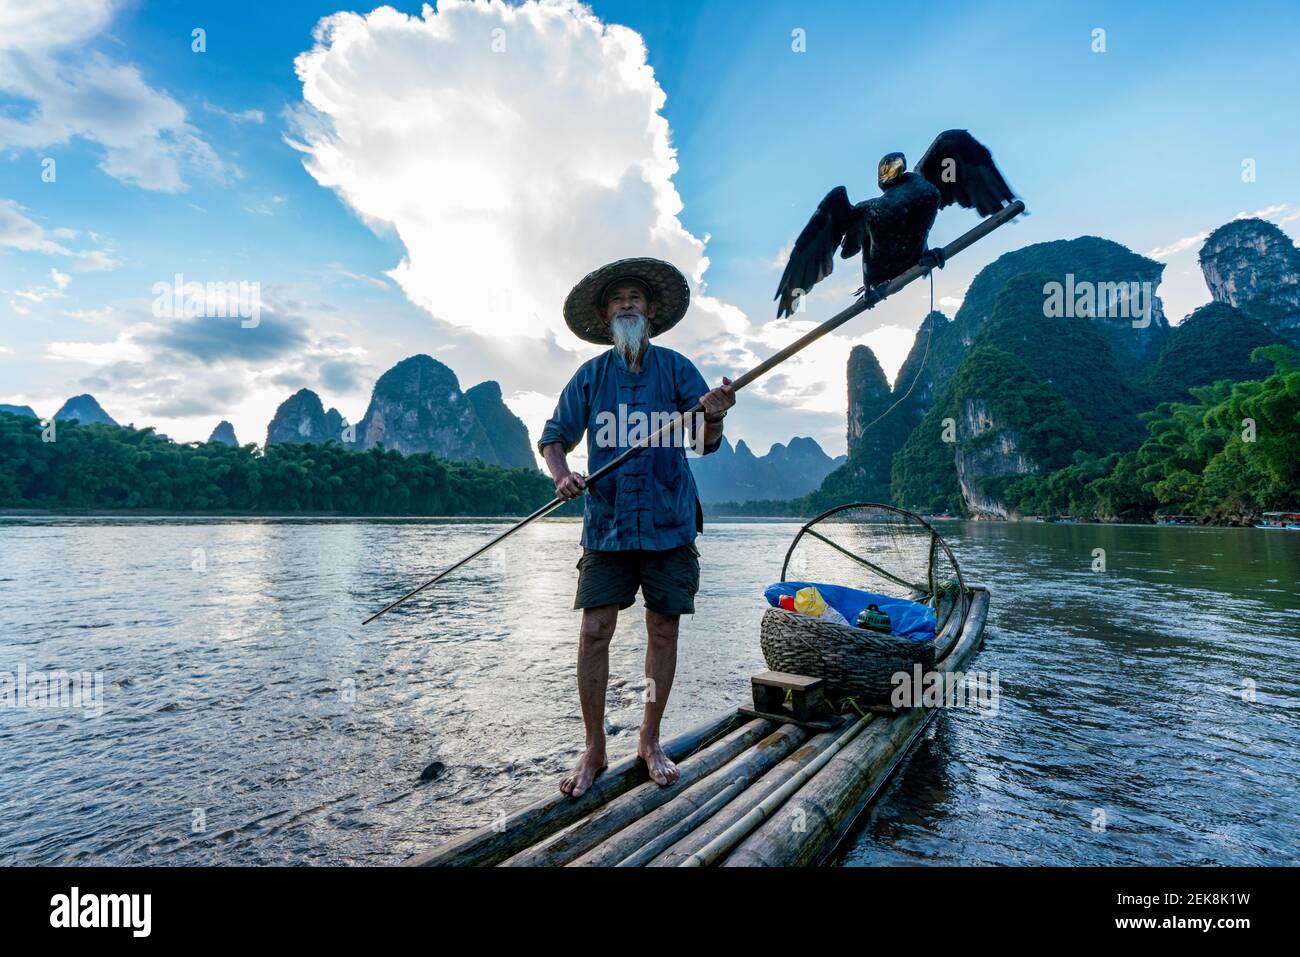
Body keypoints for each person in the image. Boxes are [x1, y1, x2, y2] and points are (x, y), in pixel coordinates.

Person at [538, 257, 735, 798]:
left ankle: (649, 740)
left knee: (663, 631)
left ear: (650, 311)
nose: (627, 304)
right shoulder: (590, 377)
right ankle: (595, 747)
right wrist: (563, 476)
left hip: (670, 521)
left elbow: (702, 442)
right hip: (608, 525)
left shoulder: (676, 370)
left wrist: (714, 412)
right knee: (594, 630)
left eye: (636, 298)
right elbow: (553, 437)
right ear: (606, 315)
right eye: (617, 299)